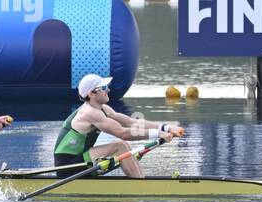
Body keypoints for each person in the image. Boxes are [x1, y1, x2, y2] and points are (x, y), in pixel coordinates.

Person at [53, 74, 182, 178]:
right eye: (103, 88)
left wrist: (166, 127)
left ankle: (140, 180)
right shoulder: (90, 113)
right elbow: (122, 133)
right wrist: (158, 134)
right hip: (67, 166)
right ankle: (140, 186)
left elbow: (131, 122)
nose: (108, 90)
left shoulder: (102, 108)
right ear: (91, 94)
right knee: (120, 146)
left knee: (123, 145)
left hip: (81, 159)